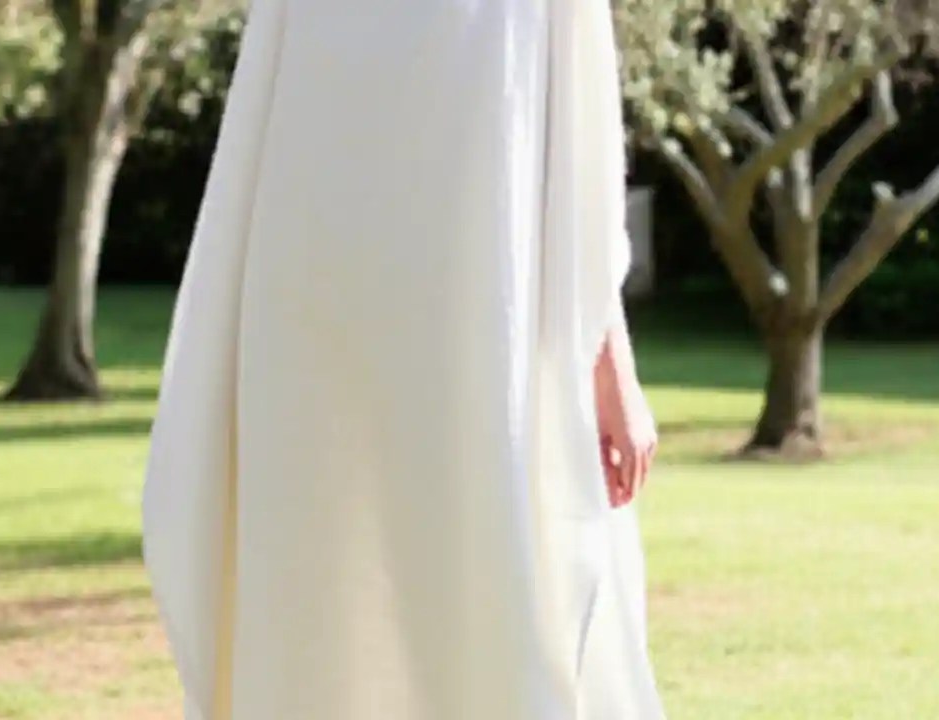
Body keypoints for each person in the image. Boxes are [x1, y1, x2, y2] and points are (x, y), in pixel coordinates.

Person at [142, 0, 666, 717]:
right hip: (313, 348)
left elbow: (579, 163)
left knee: (492, 601)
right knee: (319, 612)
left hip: (486, 348)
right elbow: (253, 159)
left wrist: (612, 372)